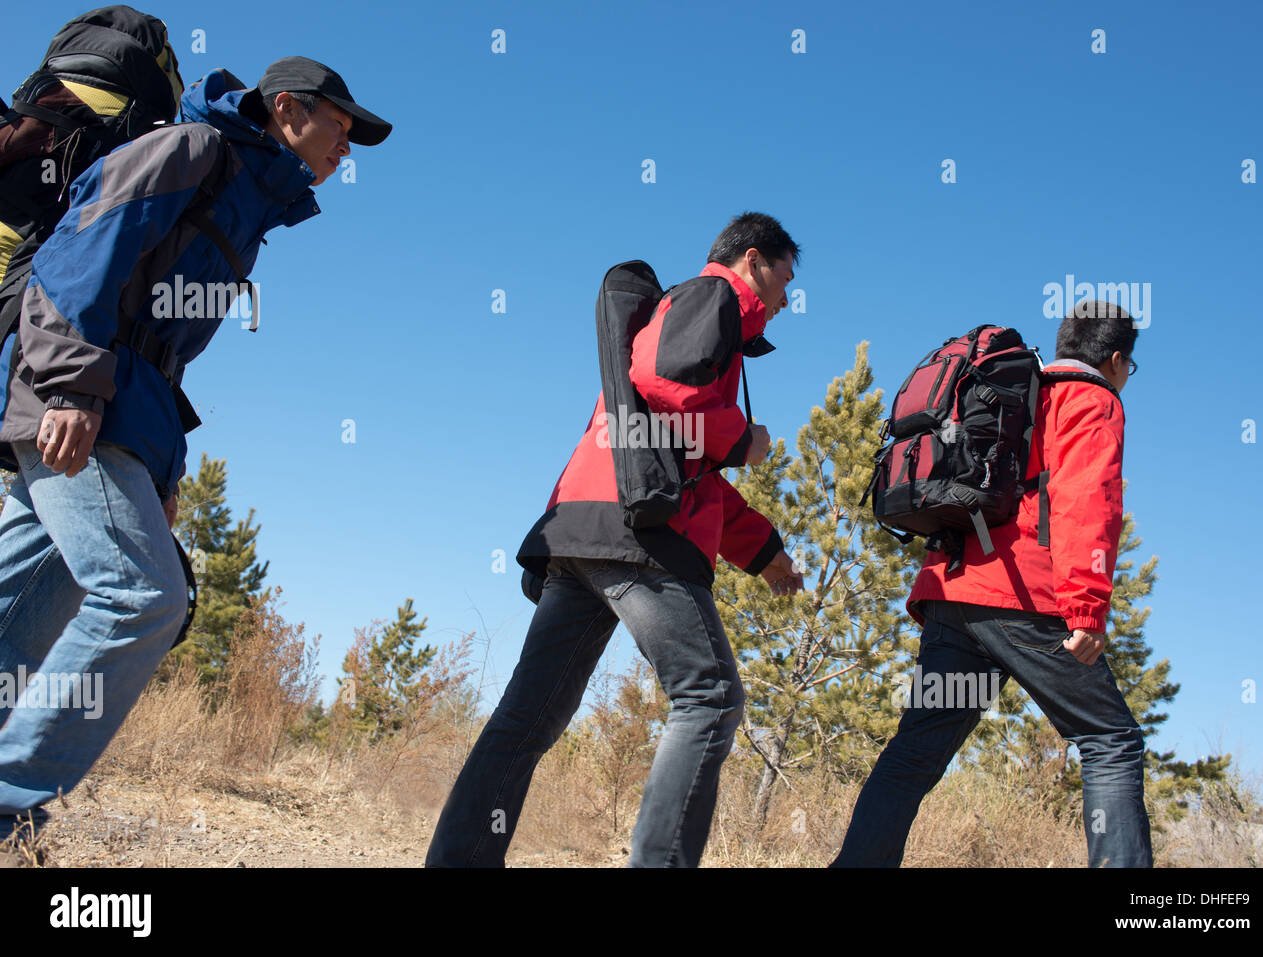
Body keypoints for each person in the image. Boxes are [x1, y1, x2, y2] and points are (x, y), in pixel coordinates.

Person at [0, 57, 391, 846]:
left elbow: (164, 352)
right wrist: (72, 388)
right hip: (75, 399)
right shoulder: (195, 150)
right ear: (288, 108)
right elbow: (79, 254)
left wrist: (167, 467)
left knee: (15, 615)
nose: (345, 149)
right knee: (145, 595)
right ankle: (8, 800)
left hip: (114, 411)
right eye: (340, 127)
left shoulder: (249, 201)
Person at [426, 212, 805, 868]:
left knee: (528, 717)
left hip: (586, 526)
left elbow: (687, 469)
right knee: (710, 696)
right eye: (786, 282)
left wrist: (765, 553)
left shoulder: (685, 316)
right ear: (753, 260)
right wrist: (744, 438)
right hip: (642, 537)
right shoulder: (715, 296)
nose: (785, 302)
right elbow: (662, 380)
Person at [831, 301, 1151, 868]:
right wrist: (1086, 609)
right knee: (1110, 742)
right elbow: (1086, 503)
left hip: (953, 593)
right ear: (1118, 359)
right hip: (1025, 597)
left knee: (916, 752)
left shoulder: (1011, 388)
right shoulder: (1090, 398)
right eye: (1131, 367)